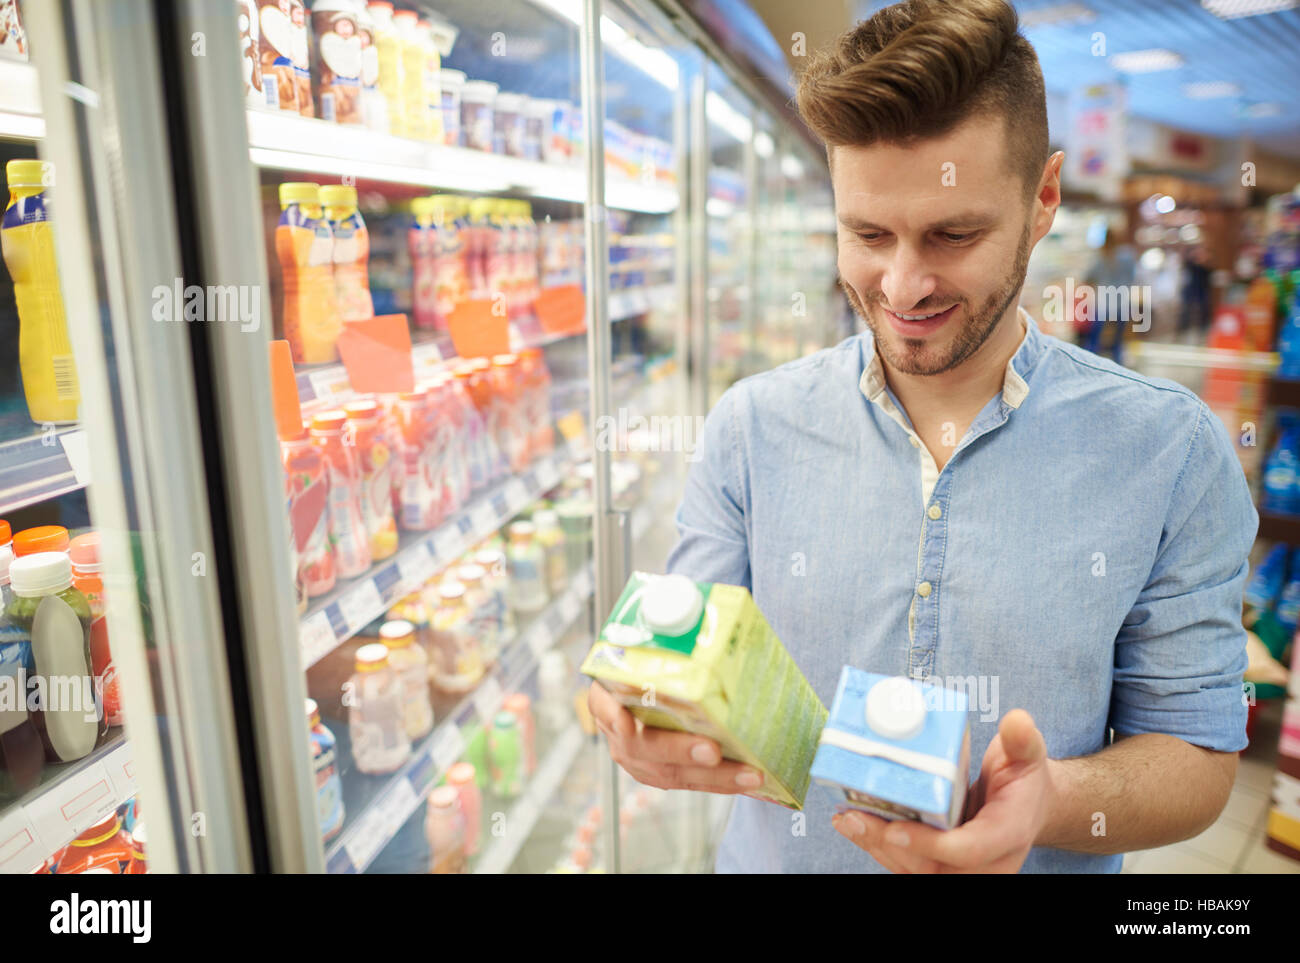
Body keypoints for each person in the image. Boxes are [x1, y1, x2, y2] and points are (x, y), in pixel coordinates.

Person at [587, 0, 1255, 874]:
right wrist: (630, 715)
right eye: (867, 233)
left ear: (1043, 196)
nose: (902, 286)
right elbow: (662, 655)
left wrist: (1050, 800)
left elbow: (1198, 757)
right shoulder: (751, 426)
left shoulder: (1170, 453)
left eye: (954, 234)